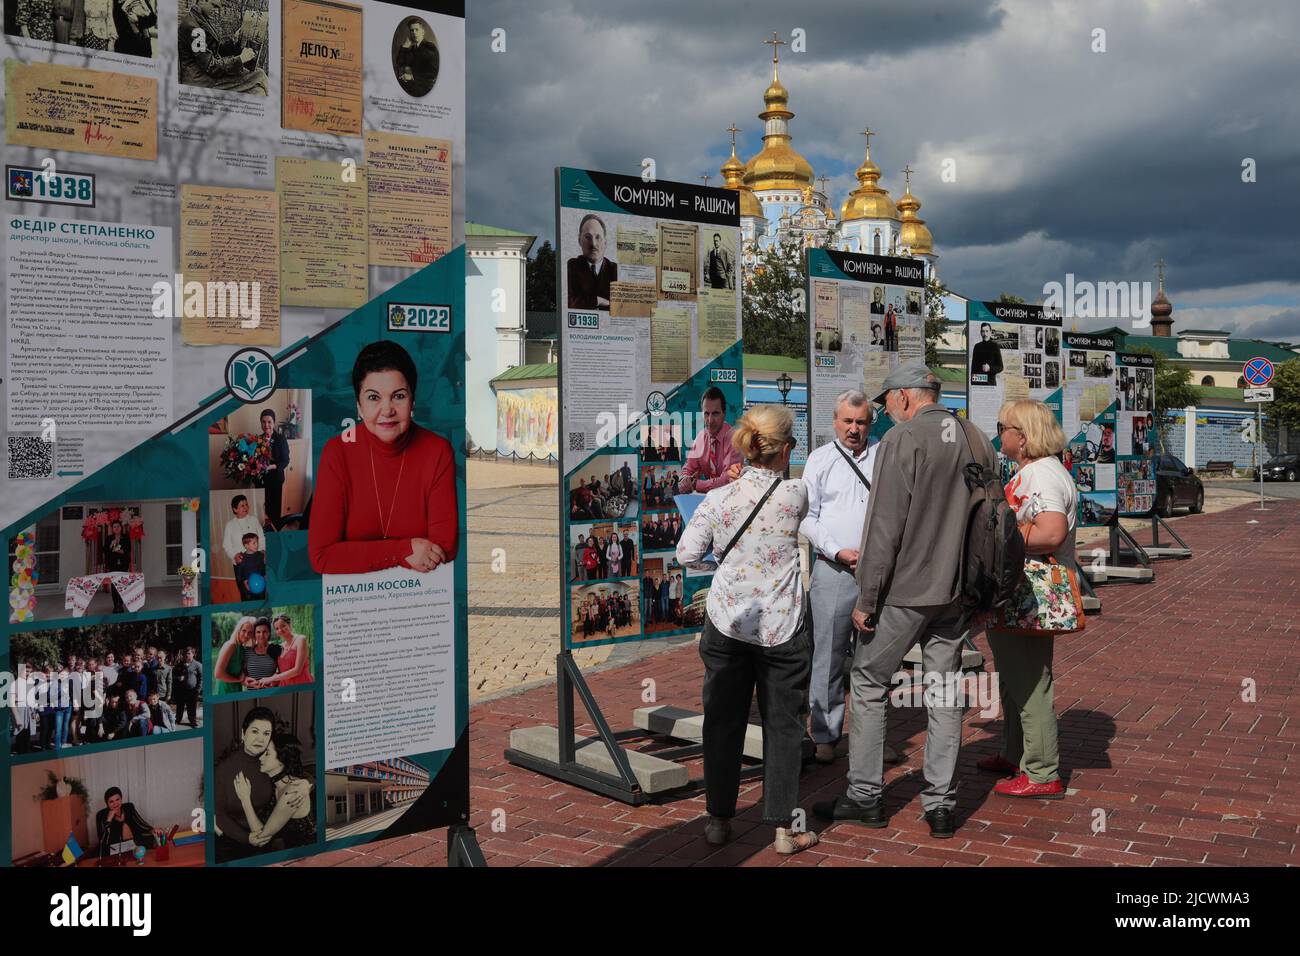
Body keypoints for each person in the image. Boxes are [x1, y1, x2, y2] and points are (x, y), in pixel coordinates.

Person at [814, 360, 996, 841]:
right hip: (959, 590)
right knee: (944, 690)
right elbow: (993, 522)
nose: (886, 413)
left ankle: (865, 796)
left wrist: (866, 598)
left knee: (868, 678)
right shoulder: (978, 438)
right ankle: (940, 804)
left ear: (905, 397)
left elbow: (884, 528)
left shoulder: (902, 439)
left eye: (887, 403)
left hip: (908, 590)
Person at [677, 404, 817, 856]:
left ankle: (718, 819)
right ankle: (784, 828)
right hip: (783, 622)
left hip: (728, 621)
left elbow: (685, 554)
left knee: (722, 722)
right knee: (785, 725)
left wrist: (718, 564)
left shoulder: (719, 499)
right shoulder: (797, 495)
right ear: (785, 449)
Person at [800, 391, 903, 766]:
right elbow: (806, 516)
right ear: (835, 421)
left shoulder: (884, 455)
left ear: (870, 424)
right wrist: (836, 549)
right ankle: (825, 735)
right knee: (827, 655)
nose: (854, 429)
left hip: (879, 573)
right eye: (848, 421)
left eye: (861, 422)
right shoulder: (820, 460)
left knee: (876, 658)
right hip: (834, 569)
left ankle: (870, 737)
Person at [979, 400, 1075, 800]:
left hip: (1029, 592)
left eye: (1002, 426)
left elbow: (1050, 534)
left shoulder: (1040, 475)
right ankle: (1014, 751)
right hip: (1020, 592)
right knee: (1014, 676)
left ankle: (1041, 771)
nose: (998, 433)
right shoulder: (1038, 471)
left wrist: (997, 541)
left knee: (1030, 680)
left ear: (1022, 434)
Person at [310, 341, 458, 574]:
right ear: (358, 406)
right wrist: (401, 551)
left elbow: (445, 547)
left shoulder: (437, 450)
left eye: (398, 396)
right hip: (351, 605)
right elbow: (323, 557)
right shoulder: (337, 452)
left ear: (413, 401)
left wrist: (356, 554)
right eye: (373, 398)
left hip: (422, 600)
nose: (387, 409)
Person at [215, 707, 282, 861]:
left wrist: (306, 784)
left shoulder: (271, 761)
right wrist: (247, 838)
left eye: (266, 733)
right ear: (243, 733)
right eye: (255, 731)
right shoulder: (225, 769)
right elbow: (218, 813)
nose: (260, 739)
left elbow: (298, 775)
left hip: (268, 834)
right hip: (233, 843)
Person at [233, 732, 316, 849]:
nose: (261, 757)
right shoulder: (274, 783)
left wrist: (245, 799)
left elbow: (261, 839)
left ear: (282, 760)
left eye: (267, 753)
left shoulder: (293, 791)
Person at [177, 0, 268, 95]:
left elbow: (214, 50)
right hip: (200, 80)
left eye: (218, 8)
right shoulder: (193, 27)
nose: (216, 11)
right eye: (214, 6)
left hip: (204, 76)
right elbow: (210, 66)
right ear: (203, 1)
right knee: (259, 75)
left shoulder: (199, 20)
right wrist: (240, 59)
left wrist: (233, 41)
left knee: (258, 90)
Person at [680, 388, 741, 494]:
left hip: (731, 497)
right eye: (706, 414)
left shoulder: (735, 439)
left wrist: (696, 484)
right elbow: (688, 468)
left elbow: (727, 481)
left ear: (724, 414)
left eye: (715, 413)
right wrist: (685, 479)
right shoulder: (701, 437)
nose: (710, 420)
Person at [566, 214, 618, 310]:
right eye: (587, 237)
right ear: (579, 240)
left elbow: (623, 306)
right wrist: (598, 300)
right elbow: (567, 302)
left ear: (605, 242)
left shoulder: (616, 270)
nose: (593, 244)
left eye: (598, 237)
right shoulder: (571, 267)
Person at [95, 787, 165, 857]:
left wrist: (152, 829)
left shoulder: (129, 807)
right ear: (107, 803)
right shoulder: (101, 815)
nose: (115, 803)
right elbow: (102, 840)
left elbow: (140, 822)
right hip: (117, 847)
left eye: (117, 799)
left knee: (156, 841)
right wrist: (108, 820)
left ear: (121, 799)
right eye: (111, 801)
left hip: (135, 842)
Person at [223, 494, 265, 591]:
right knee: (245, 592)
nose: (246, 507)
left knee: (261, 590)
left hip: (257, 561)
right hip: (241, 564)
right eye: (242, 505)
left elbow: (261, 538)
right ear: (235, 509)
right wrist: (234, 556)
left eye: (246, 504)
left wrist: (263, 551)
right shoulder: (230, 525)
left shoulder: (254, 519)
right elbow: (226, 545)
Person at [258, 409, 290, 529]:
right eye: (263, 422)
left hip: (276, 479)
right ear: (260, 423)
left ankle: (275, 531)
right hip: (261, 480)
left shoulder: (281, 439)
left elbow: (286, 460)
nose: (266, 425)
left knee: (274, 509)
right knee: (261, 507)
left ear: (274, 423)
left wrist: (272, 466)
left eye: (269, 422)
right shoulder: (258, 439)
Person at [394, 18, 439, 97]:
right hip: (412, 87)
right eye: (412, 30)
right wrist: (404, 47)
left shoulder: (430, 47)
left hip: (426, 88)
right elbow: (399, 63)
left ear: (423, 32)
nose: (414, 33)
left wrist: (411, 76)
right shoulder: (411, 49)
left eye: (416, 29)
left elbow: (433, 74)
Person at [215, 616, 256, 694]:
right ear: (238, 630)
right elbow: (218, 674)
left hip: (236, 689)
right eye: (244, 630)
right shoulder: (231, 645)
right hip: (225, 691)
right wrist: (238, 680)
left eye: (250, 632)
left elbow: (240, 675)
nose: (246, 635)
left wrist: (246, 681)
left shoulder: (242, 648)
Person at [241, 618, 278, 687]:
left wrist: (273, 682)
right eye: (258, 632)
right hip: (252, 693)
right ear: (254, 634)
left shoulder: (276, 649)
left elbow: (281, 672)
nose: (261, 635)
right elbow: (242, 676)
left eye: (264, 632)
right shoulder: (247, 651)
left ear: (269, 633)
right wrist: (246, 681)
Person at [104, 520, 131, 613]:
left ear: (121, 527)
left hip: (123, 564)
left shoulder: (126, 537)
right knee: (114, 585)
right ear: (112, 528)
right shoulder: (109, 538)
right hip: (113, 564)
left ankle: (121, 604)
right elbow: (105, 550)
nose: (116, 528)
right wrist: (111, 544)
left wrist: (120, 551)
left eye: (118, 526)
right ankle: (116, 605)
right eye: (114, 526)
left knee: (122, 584)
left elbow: (128, 549)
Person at [234, 532, 267, 602]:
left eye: (257, 542)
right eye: (254, 543)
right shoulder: (242, 558)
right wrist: (244, 582)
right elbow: (239, 573)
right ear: (246, 546)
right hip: (248, 587)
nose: (257, 545)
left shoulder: (260, 555)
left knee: (261, 600)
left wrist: (264, 575)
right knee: (249, 602)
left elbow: (262, 567)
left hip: (260, 585)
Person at [174, 646, 202, 727]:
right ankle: (178, 720)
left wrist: (198, 689)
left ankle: (192, 721)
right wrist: (178, 678)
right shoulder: (179, 665)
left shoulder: (197, 665)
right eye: (185, 653)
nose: (187, 655)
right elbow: (173, 676)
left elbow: (201, 678)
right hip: (181, 690)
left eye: (189, 653)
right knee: (180, 706)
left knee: (192, 707)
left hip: (192, 690)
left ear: (193, 654)